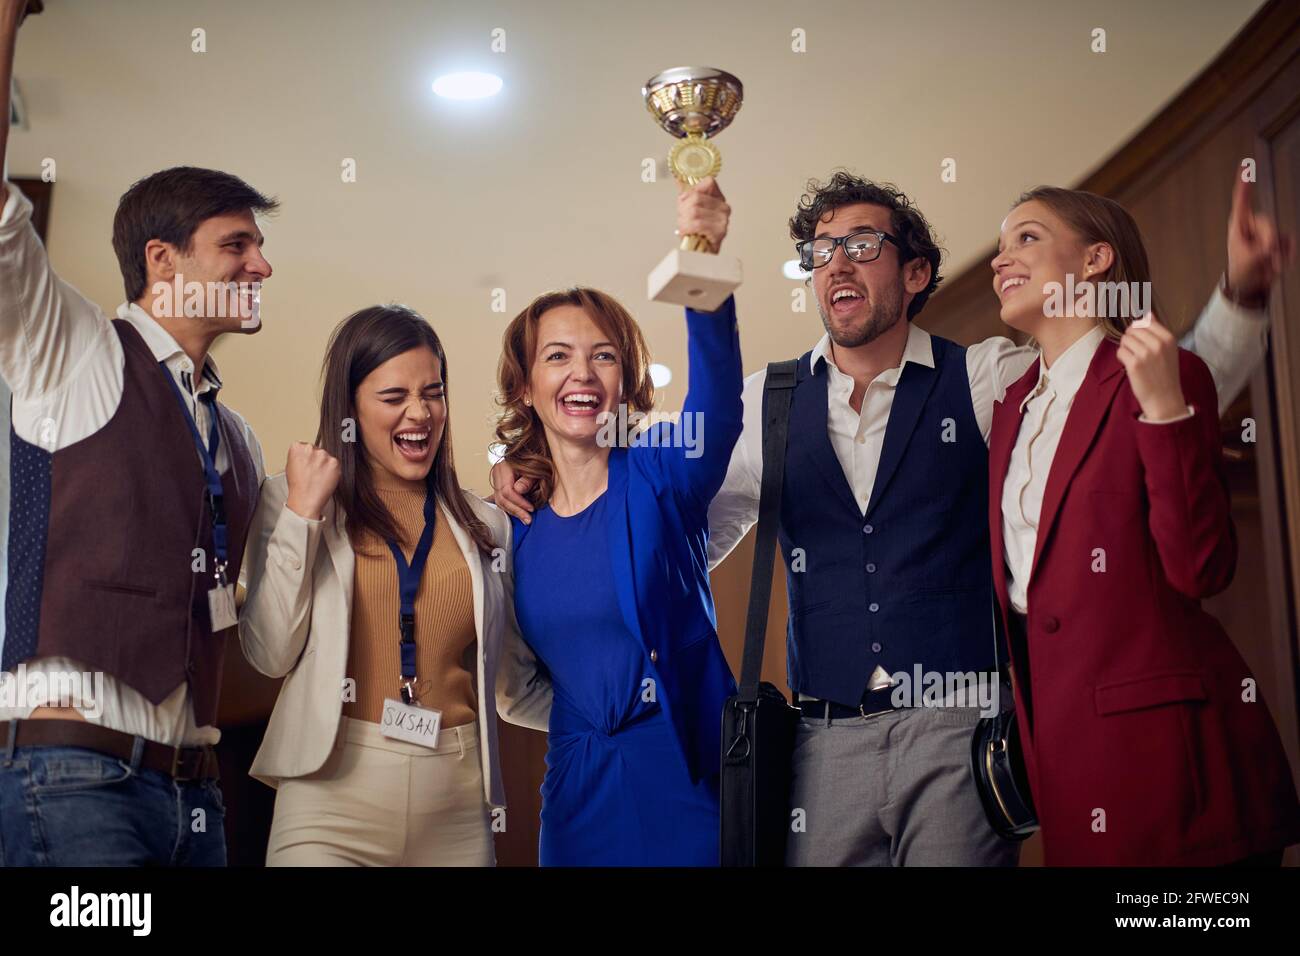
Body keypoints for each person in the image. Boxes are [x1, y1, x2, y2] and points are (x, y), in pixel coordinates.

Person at [493, 167, 1283, 866]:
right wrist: (546, 492)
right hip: (821, 746)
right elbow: (673, 543)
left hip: (959, 733)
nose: (835, 262)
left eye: (862, 245)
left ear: (916, 273)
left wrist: (1241, 299)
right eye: (821, 251)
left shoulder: (984, 376)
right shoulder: (769, 401)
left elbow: (1146, 391)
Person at [0, 0, 274, 866]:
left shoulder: (237, 440)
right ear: (164, 261)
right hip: (70, 776)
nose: (262, 267)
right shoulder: (72, 348)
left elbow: (262, 627)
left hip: (197, 793)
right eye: (237, 246)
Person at [987, 185, 1300, 866]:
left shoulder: (1165, 372)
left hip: (1174, 769)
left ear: (1096, 259)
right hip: (1068, 778)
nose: (1001, 258)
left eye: (1028, 238)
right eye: (1002, 244)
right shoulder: (1009, 407)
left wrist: (1164, 411)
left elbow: (1200, 569)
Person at [238, 305, 551, 866]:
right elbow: (269, 651)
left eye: (433, 392)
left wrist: (628, 719)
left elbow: (515, 686)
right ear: (350, 405)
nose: (420, 412)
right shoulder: (289, 499)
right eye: (392, 397)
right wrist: (302, 516)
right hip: (328, 802)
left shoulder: (490, 524)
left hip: (455, 807)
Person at [493, 180, 742, 865]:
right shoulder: (511, 519)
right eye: (558, 355)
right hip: (576, 785)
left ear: (625, 373)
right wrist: (498, 464)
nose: (584, 372)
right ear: (525, 386)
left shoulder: (662, 472)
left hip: (686, 766)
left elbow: (718, 410)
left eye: (603, 354)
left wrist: (704, 262)